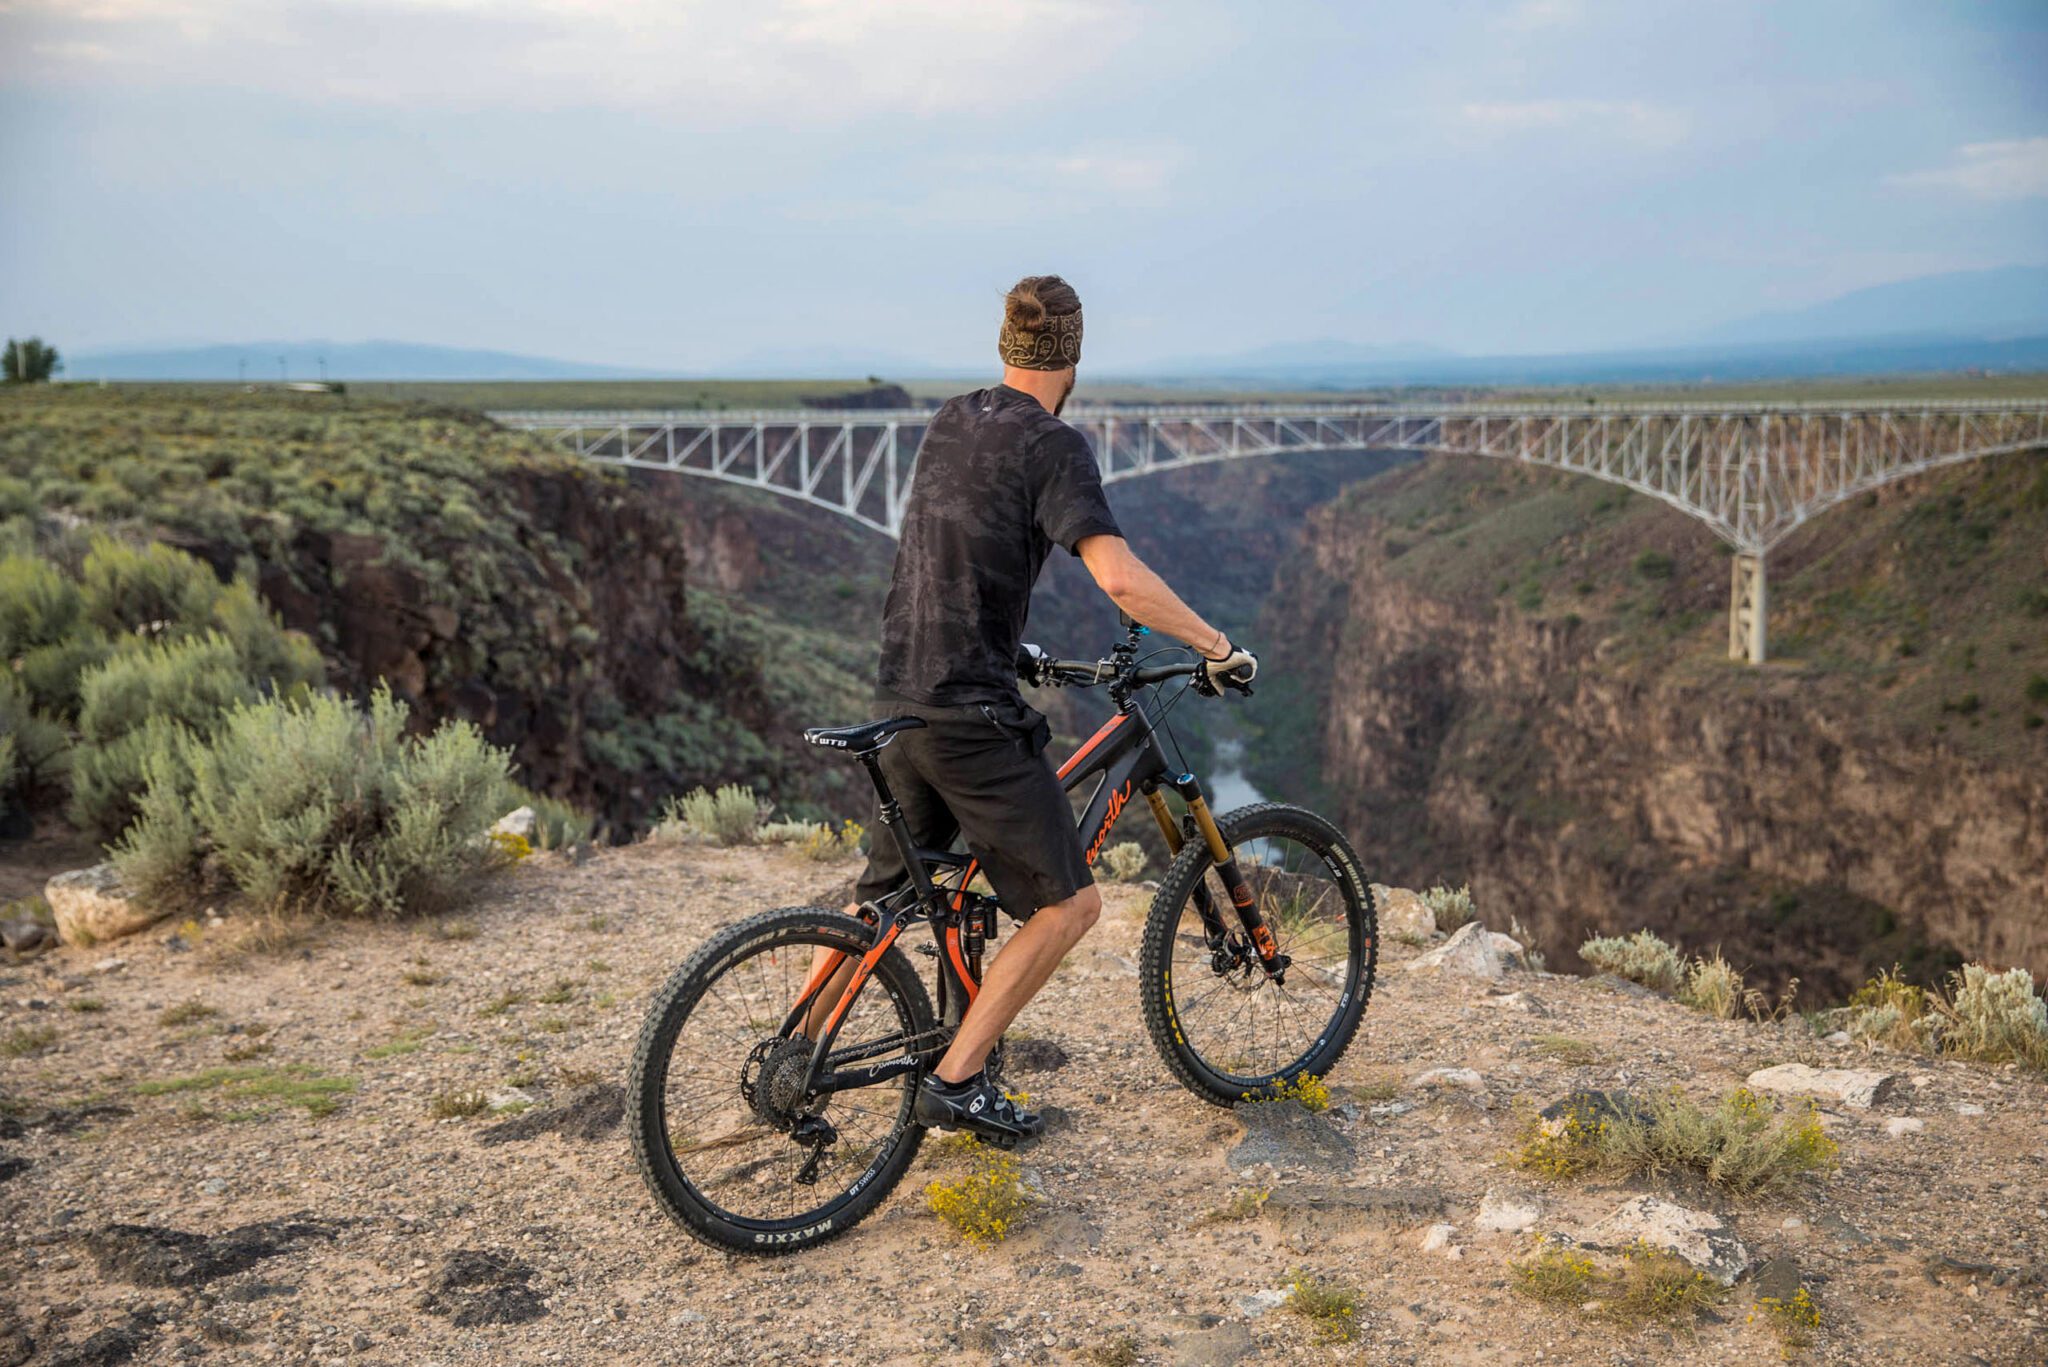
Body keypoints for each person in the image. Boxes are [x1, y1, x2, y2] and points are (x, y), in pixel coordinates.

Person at [807, 274, 1257, 1146]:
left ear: (1005, 349)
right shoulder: (1055, 445)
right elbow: (1119, 578)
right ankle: (957, 1078)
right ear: (1073, 357)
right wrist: (1213, 644)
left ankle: (795, 1060)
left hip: (901, 689)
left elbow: (951, 554)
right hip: (966, 717)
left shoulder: (951, 419)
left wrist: (1014, 651)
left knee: (883, 909)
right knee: (1069, 906)